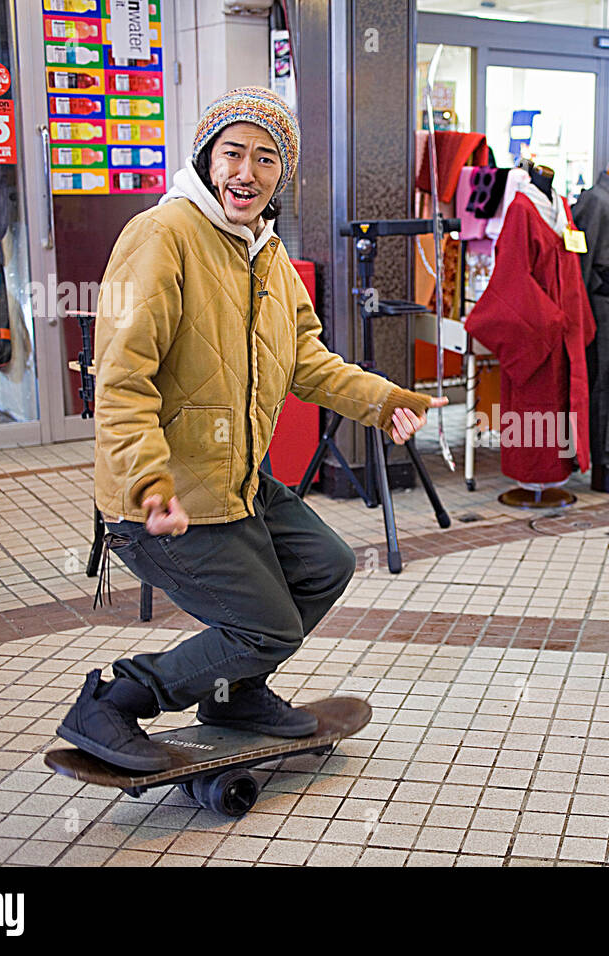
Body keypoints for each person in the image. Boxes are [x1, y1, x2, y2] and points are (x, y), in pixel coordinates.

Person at [58, 88, 445, 770]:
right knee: (263, 624)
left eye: (266, 158)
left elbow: (308, 363)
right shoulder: (163, 235)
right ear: (208, 159)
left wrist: (383, 401)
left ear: (281, 175)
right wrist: (148, 477)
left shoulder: (265, 254)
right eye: (233, 152)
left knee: (325, 564)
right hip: (161, 494)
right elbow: (121, 377)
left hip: (235, 481)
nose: (248, 170)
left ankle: (236, 690)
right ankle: (115, 700)